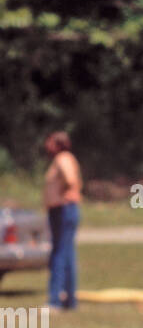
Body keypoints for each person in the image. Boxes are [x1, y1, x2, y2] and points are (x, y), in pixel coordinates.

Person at [43, 131, 82, 310]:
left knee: (59, 254)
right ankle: (69, 300)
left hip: (63, 210)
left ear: (58, 144)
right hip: (65, 209)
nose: (47, 145)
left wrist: (61, 196)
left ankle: (55, 300)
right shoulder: (66, 158)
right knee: (66, 254)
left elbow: (70, 179)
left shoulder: (62, 158)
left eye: (50, 142)